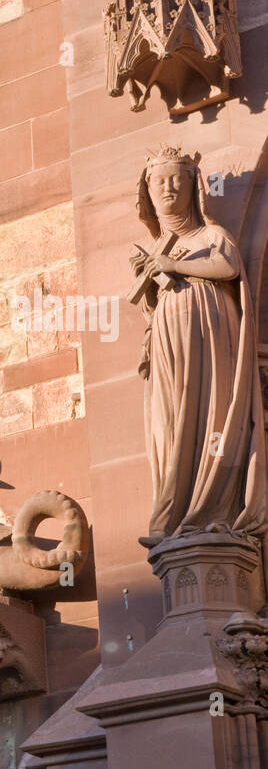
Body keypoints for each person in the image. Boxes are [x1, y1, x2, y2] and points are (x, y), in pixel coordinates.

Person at [131, 146, 267, 547]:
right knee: (172, 422)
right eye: (159, 181)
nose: (169, 188)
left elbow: (227, 267)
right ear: (148, 192)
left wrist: (174, 266)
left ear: (194, 188)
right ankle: (174, 511)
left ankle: (212, 508)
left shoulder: (211, 235)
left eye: (178, 179)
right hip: (170, 343)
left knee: (210, 413)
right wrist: (150, 284)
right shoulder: (153, 249)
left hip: (210, 336)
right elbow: (148, 307)